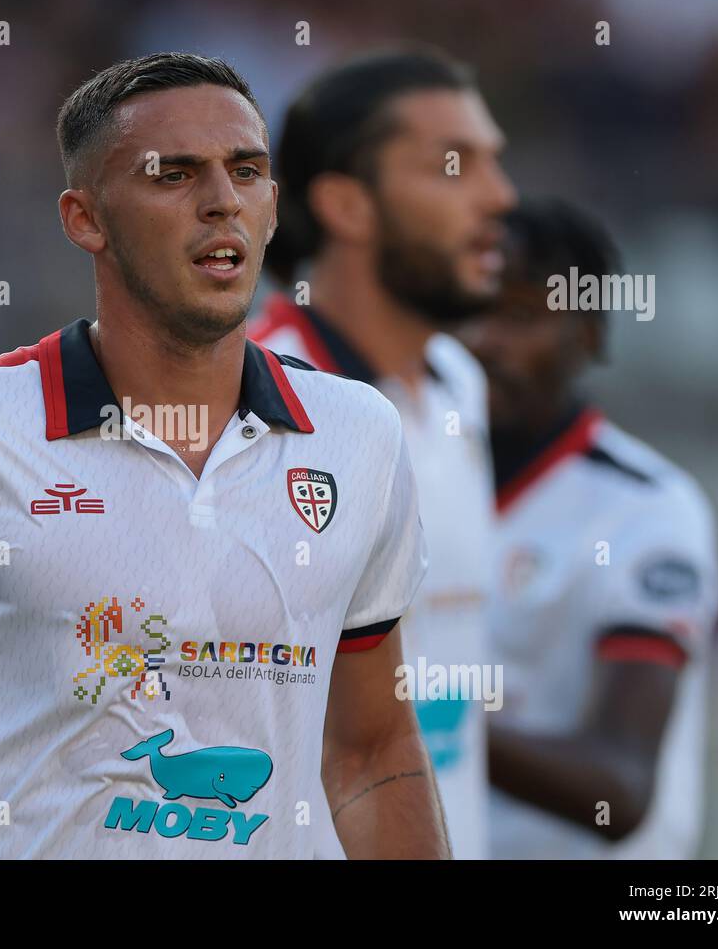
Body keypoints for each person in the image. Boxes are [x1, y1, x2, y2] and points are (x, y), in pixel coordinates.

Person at [0, 52, 446, 859]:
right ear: (86, 219)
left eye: (247, 172)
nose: (221, 201)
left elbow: (373, 750)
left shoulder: (359, 433)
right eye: (174, 175)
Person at [250, 45, 517, 859]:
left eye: (495, 164)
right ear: (346, 205)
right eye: (453, 166)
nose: (501, 197)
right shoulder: (252, 405)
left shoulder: (458, 385)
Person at [456, 198, 718, 858]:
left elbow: (622, 789)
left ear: (591, 335)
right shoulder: (404, 475)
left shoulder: (649, 508)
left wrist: (410, 721)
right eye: (468, 311)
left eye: (520, 315)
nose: (485, 339)